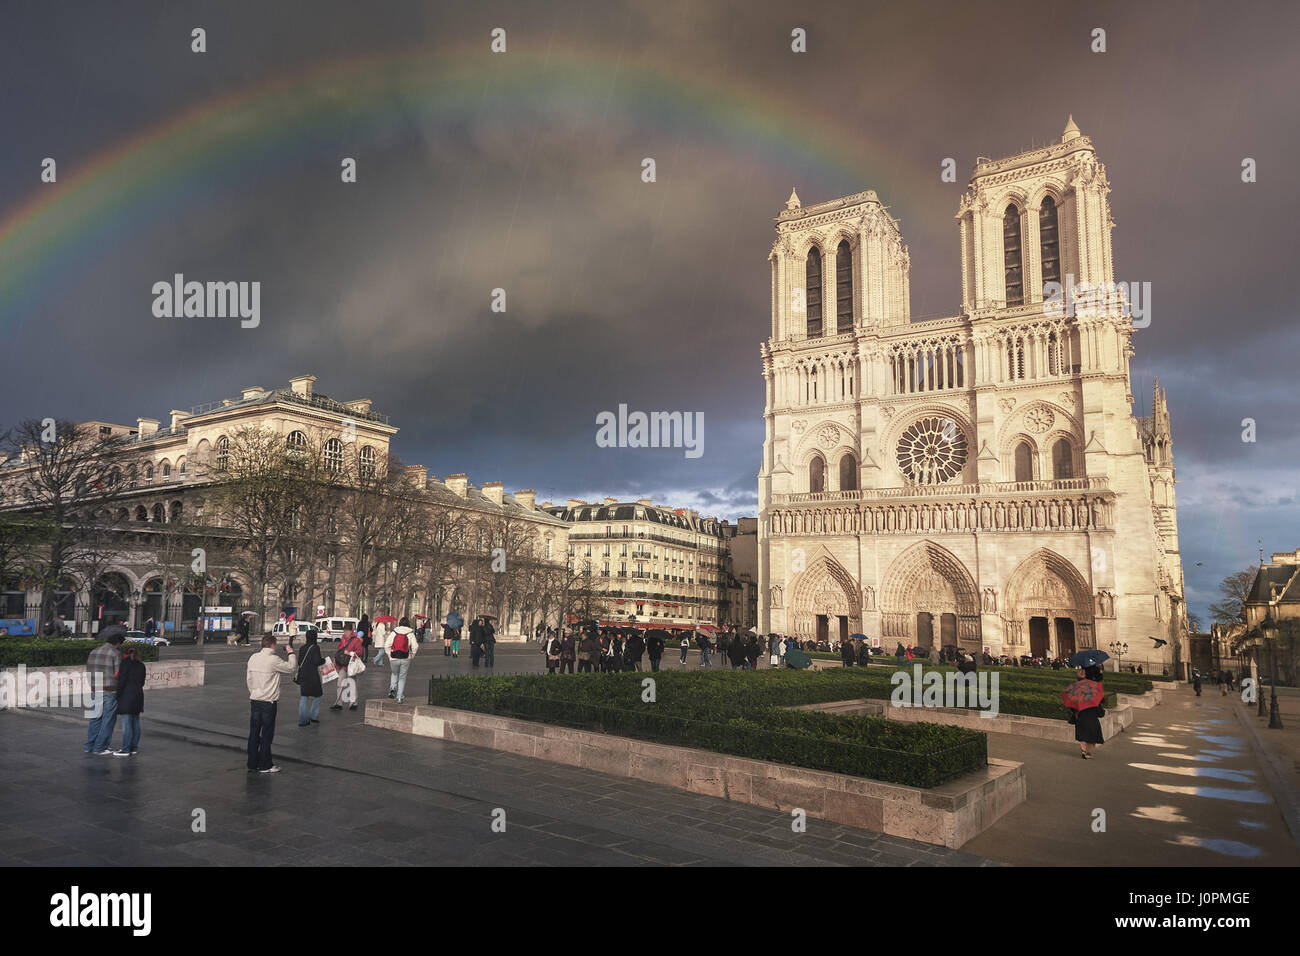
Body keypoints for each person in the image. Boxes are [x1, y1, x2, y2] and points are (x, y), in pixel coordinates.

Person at [246, 634, 297, 773]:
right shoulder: (273, 659)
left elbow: (249, 680)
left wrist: (254, 692)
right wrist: (290, 652)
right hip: (268, 701)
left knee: (254, 733)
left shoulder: (253, 658)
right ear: (273, 645)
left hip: (255, 699)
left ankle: (252, 763)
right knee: (267, 734)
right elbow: (291, 667)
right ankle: (265, 764)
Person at [85, 626, 126, 755]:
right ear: (118, 643)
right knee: (108, 720)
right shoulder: (115, 653)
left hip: (94, 690)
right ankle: (100, 747)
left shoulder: (93, 651)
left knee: (95, 719)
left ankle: (89, 746)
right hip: (109, 691)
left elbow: (88, 670)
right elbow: (118, 674)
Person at [113, 645, 146, 756]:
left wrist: (117, 695)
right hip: (138, 695)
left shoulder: (125, 663)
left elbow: (122, 681)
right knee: (136, 722)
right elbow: (142, 682)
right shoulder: (142, 665)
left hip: (127, 696)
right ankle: (134, 747)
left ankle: (126, 749)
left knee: (127, 724)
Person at [1069, 665, 1106, 759]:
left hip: (1080, 714)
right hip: (1091, 714)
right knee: (1092, 735)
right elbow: (1099, 702)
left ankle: (1083, 750)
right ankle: (1088, 752)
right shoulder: (1093, 687)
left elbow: (1072, 702)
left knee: (1082, 734)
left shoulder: (1076, 687)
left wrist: (1075, 712)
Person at [295, 628, 325, 726]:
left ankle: (302, 720)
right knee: (318, 695)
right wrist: (323, 660)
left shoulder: (302, 648)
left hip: (303, 674)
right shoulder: (315, 647)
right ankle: (313, 715)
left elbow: (299, 662)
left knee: (304, 696)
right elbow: (317, 661)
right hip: (312, 675)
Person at [385, 617, 417, 703]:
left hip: (394, 657)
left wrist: (389, 654)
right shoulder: (410, 633)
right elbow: (415, 646)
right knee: (402, 677)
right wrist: (412, 655)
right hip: (406, 657)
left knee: (394, 674)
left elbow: (386, 645)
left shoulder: (394, 632)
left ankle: (392, 689)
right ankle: (399, 697)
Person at [331, 628, 364, 711]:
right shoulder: (343, 639)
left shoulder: (356, 640)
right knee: (340, 684)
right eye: (344, 631)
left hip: (351, 665)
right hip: (342, 664)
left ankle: (353, 703)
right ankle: (338, 703)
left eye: (346, 631)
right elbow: (339, 650)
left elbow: (360, 652)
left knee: (352, 684)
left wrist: (350, 654)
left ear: (351, 631)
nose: (345, 633)